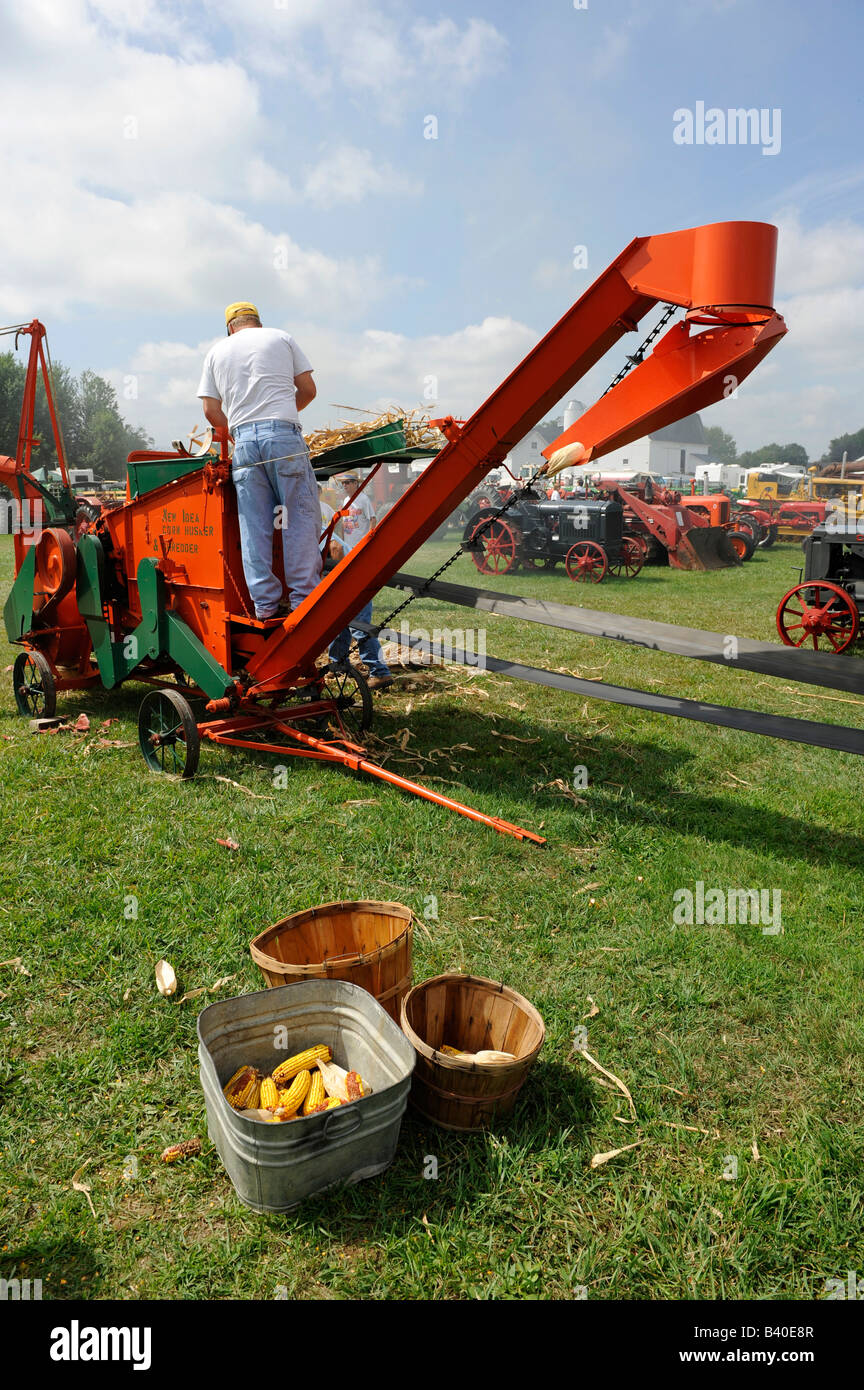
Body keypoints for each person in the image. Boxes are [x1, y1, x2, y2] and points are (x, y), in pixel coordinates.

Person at [197, 301, 321, 621]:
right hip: (284, 438)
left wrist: (241, 436)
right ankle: (303, 602)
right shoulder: (281, 338)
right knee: (297, 519)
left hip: (245, 445)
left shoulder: (217, 352)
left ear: (230, 327)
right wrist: (282, 415)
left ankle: (264, 607)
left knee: (254, 527)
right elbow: (308, 390)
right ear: (258, 323)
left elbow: (211, 412)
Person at [328, 473, 393, 691]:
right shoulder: (343, 504)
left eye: (348, 482)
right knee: (339, 616)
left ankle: (379, 672)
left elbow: (372, 521)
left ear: (357, 483)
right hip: (348, 559)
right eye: (343, 483)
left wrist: (369, 543)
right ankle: (337, 664)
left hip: (360, 558)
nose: (345, 486)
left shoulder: (363, 500)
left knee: (359, 622)